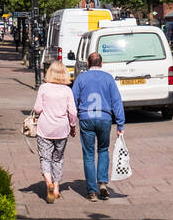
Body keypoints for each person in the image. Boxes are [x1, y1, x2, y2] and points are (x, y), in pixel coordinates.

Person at [72, 52, 125, 201]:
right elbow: (116, 101)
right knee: (103, 150)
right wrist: (120, 123)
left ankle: (91, 191)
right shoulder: (108, 78)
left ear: (88, 64)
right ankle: (102, 183)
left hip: (86, 119)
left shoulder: (81, 78)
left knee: (88, 155)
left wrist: (71, 121)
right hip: (104, 118)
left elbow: (73, 99)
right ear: (101, 64)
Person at [33, 60, 78, 203]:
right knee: (58, 159)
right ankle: (57, 188)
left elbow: (37, 109)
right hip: (61, 129)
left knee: (45, 158)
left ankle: (48, 183)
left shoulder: (44, 88)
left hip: (45, 128)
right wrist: (72, 126)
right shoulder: (67, 90)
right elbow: (73, 112)